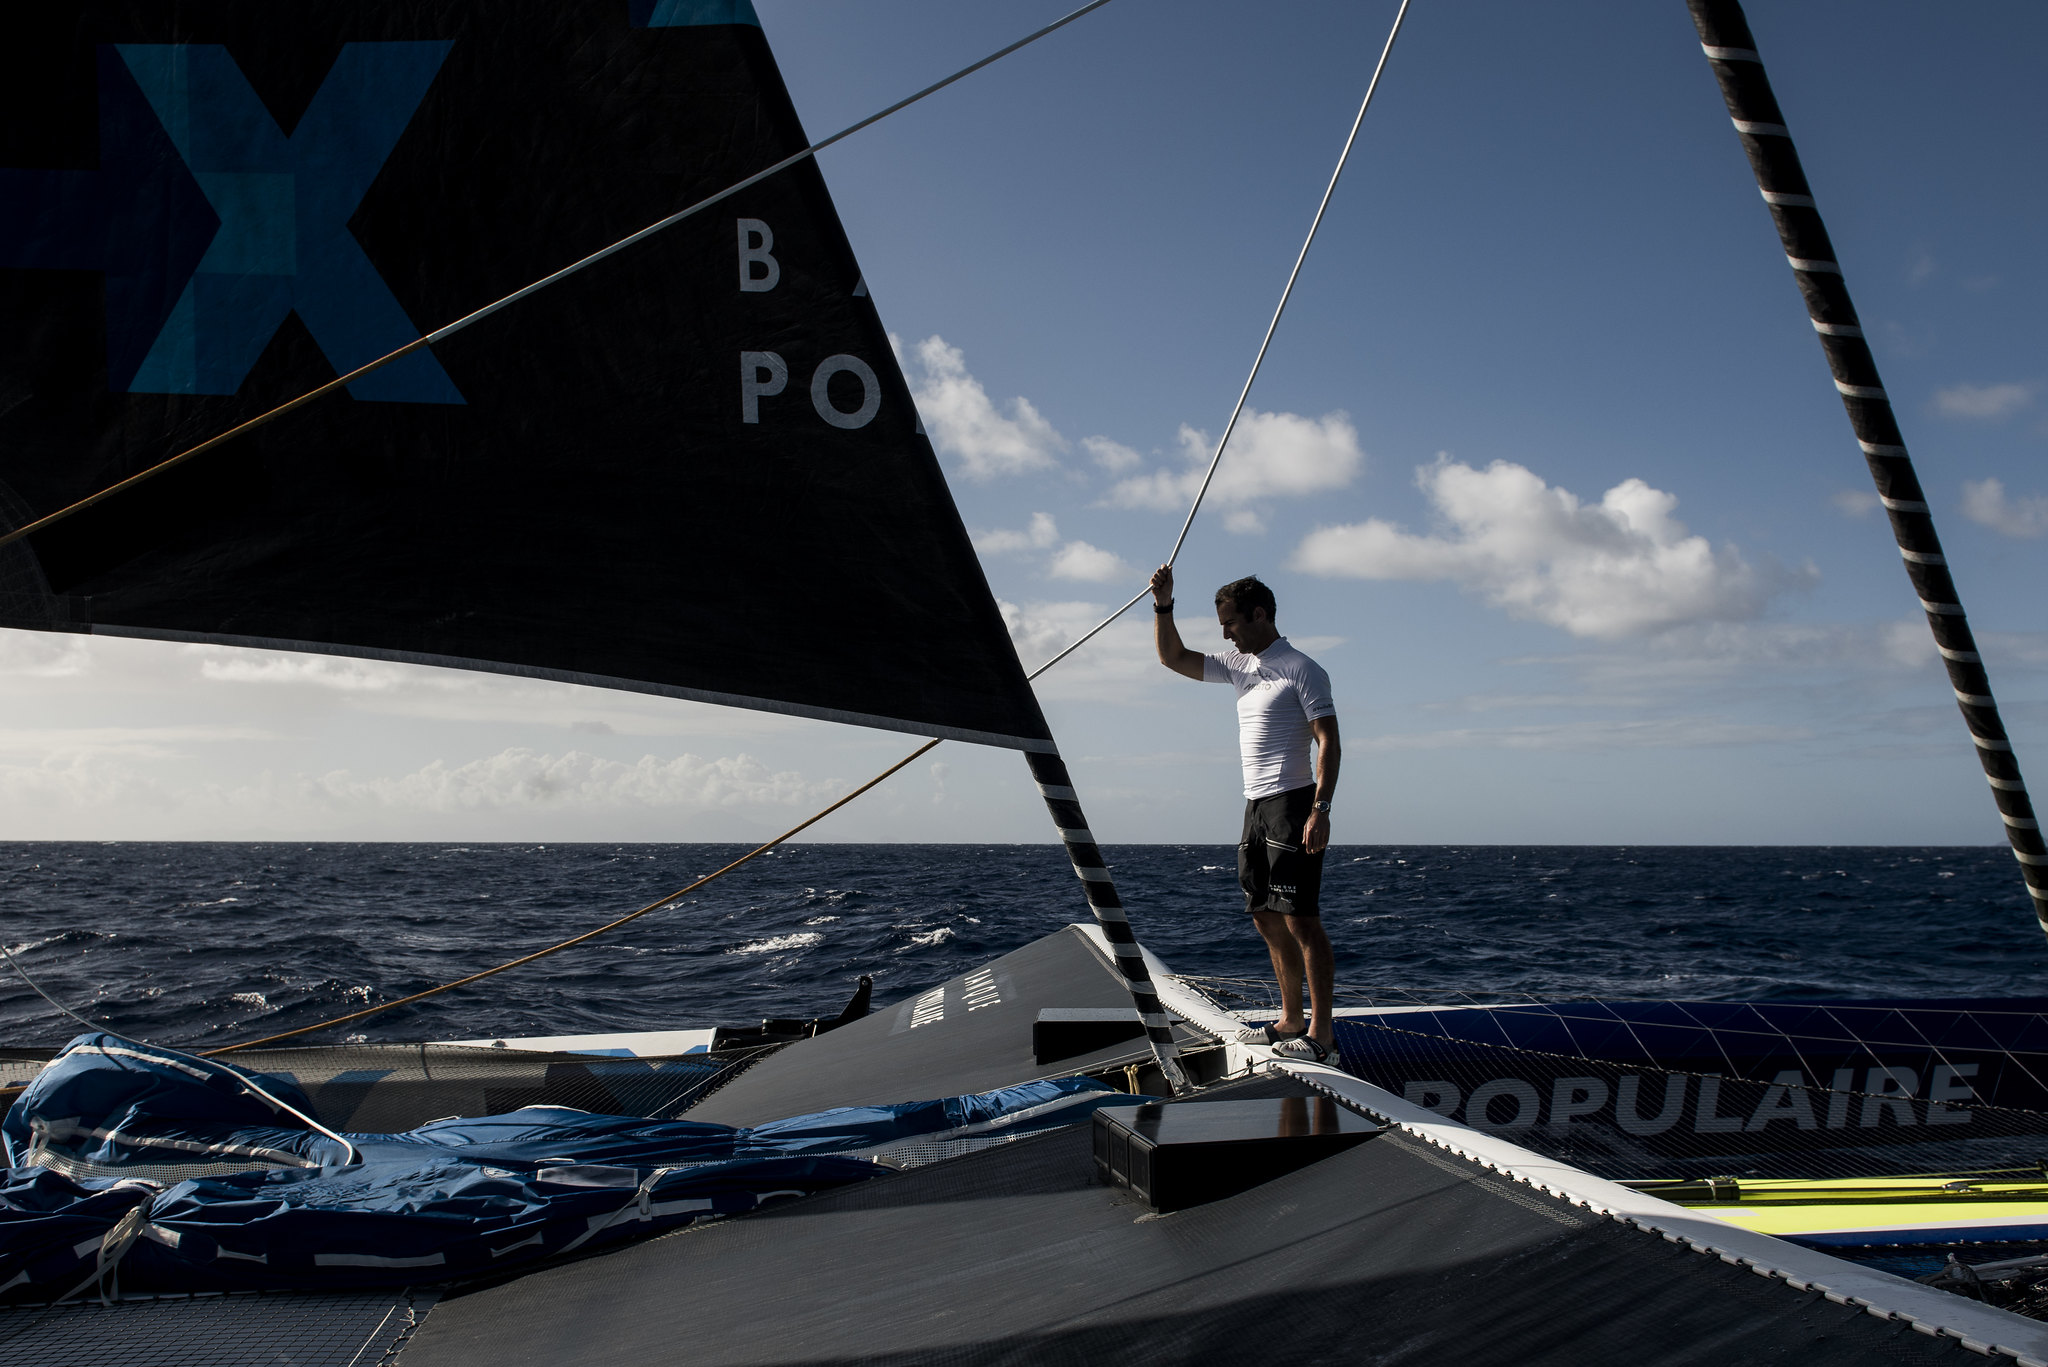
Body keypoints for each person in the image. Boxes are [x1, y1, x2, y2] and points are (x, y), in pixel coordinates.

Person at [1150, 565, 1342, 1066]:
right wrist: (1164, 605)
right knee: (1263, 913)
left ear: (1259, 614)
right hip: (1254, 804)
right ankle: (1289, 1020)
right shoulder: (1240, 664)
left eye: (1231, 623)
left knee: (1302, 919)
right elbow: (1173, 657)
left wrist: (1320, 807)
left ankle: (1322, 1034)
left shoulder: (1302, 667)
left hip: (1294, 801)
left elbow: (1329, 739)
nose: (1226, 634)